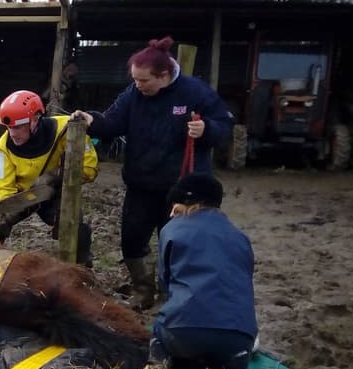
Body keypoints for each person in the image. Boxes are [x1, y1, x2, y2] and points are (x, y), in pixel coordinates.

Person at [72, 36, 234, 309]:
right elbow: (113, 122)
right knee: (132, 240)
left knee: (177, 243)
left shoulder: (195, 92)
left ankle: (173, 295)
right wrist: (92, 120)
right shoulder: (133, 95)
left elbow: (224, 125)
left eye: (144, 80)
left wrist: (207, 129)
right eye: (135, 79)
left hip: (181, 188)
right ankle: (143, 290)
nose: (138, 85)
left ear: (164, 75)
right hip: (141, 183)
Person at [153, 173, 258, 369]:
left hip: (183, 331)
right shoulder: (241, 237)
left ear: (191, 204)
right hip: (239, 337)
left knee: (158, 329)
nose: (171, 214)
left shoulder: (172, 229)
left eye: (176, 208)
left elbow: (165, 281)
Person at [0, 90, 99, 267]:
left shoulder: (68, 129)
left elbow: (89, 170)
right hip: (23, 195)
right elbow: (1, 188)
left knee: (76, 229)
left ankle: (81, 269)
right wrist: (7, 209)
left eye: (18, 127)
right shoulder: (3, 148)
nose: (12, 133)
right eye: (8, 127)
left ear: (35, 119)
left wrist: (54, 176)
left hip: (57, 192)